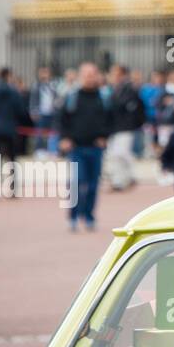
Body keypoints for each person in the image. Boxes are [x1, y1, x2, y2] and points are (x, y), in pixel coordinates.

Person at [56, 62, 113, 232]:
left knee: (93, 185)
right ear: (80, 76)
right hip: (76, 148)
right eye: (86, 74)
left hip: (96, 148)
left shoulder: (104, 98)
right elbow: (61, 120)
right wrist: (65, 138)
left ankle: (88, 216)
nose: (89, 77)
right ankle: (73, 216)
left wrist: (105, 137)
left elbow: (111, 120)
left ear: (97, 76)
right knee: (76, 182)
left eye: (92, 74)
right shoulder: (71, 97)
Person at [105, 65, 146, 192]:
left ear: (123, 75)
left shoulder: (128, 89)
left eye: (116, 74)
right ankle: (127, 178)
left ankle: (121, 180)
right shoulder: (114, 89)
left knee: (120, 153)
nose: (113, 77)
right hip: (116, 127)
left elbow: (129, 108)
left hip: (125, 127)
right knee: (117, 154)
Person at [0, 68, 32, 169]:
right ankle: (12, 179)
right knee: (11, 156)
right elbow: (21, 111)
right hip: (10, 128)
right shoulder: (14, 93)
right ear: (8, 76)